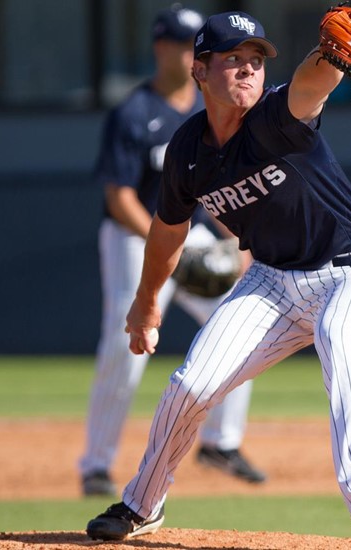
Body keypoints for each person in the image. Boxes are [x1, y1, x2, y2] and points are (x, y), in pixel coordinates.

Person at [85, 9, 351, 546]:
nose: (246, 70)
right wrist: (146, 304)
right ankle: (141, 504)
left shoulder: (277, 116)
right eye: (232, 59)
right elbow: (168, 233)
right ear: (199, 70)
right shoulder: (187, 151)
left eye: (256, 60)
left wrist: (330, 55)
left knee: (341, 342)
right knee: (192, 384)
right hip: (272, 283)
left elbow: (313, 82)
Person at [79, 4, 266, 498]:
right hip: (132, 235)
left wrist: (237, 238)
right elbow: (119, 197)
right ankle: (96, 464)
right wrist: (167, 248)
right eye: (180, 44)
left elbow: (215, 190)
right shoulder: (133, 113)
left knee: (240, 321)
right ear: (161, 47)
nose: (187, 54)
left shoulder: (210, 111)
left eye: (195, 45)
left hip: (195, 231)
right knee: (126, 344)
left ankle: (221, 443)